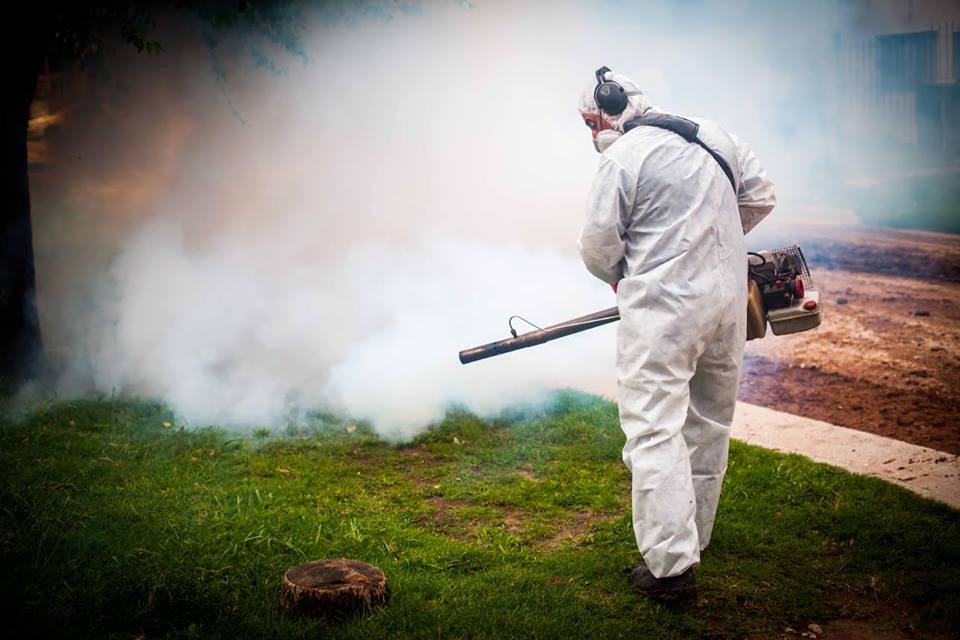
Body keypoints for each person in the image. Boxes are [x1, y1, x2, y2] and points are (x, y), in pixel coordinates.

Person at [577, 67, 777, 600]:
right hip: (731, 302)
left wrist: (630, 275)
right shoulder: (716, 136)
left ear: (599, 115)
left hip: (664, 310)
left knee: (653, 429)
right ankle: (695, 540)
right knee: (708, 422)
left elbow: (598, 249)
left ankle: (669, 569)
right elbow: (760, 197)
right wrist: (713, 241)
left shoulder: (623, 157)